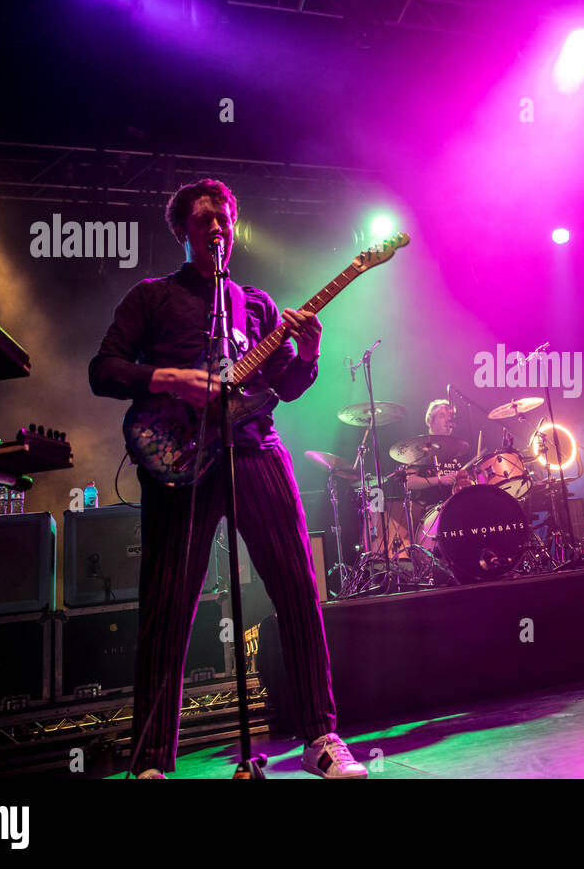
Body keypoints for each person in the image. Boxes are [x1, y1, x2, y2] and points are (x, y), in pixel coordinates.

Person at [89, 179, 366, 777]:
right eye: (205, 219)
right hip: (178, 463)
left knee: (297, 587)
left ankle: (321, 738)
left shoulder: (257, 305)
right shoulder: (152, 297)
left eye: (226, 218)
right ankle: (151, 761)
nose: (218, 227)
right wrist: (172, 379)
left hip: (254, 450)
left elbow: (285, 388)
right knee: (168, 606)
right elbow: (103, 369)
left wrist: (310, 352)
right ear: (183, 232)